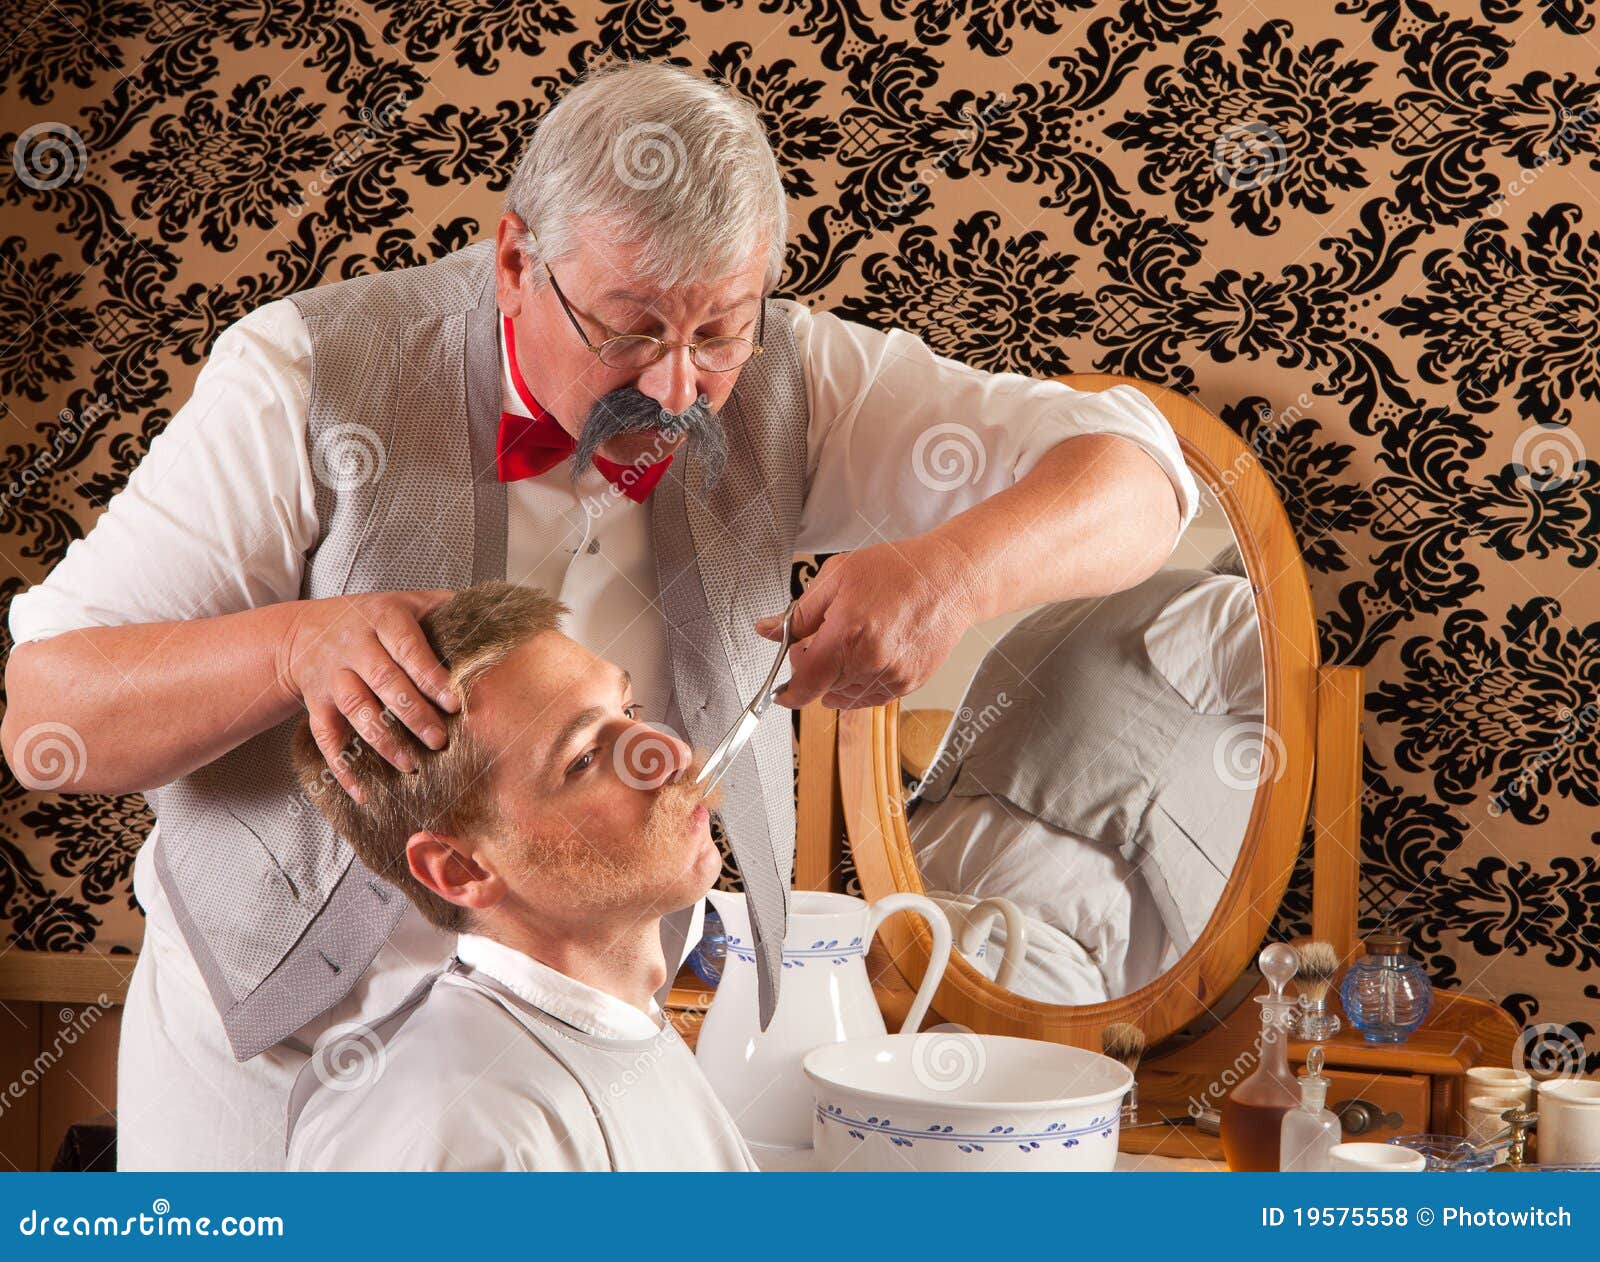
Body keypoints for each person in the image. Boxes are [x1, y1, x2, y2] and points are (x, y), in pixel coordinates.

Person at [2, 60, 1197, 1170]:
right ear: (516, 260)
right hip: (267, 1048)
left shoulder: (798, 379)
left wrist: (951, 575)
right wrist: (290, 645)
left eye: (719, 333)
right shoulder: (305, 374)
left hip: (587, 1044)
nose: (677, 391)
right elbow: (46, 716)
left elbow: (1143, 474)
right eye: (627, 329)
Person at [283, 581, 753, 1171]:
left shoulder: (624, 1030)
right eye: (583, 758)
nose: (670, 753)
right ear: (460, 869)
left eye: (629, 711)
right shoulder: (462, 1134)